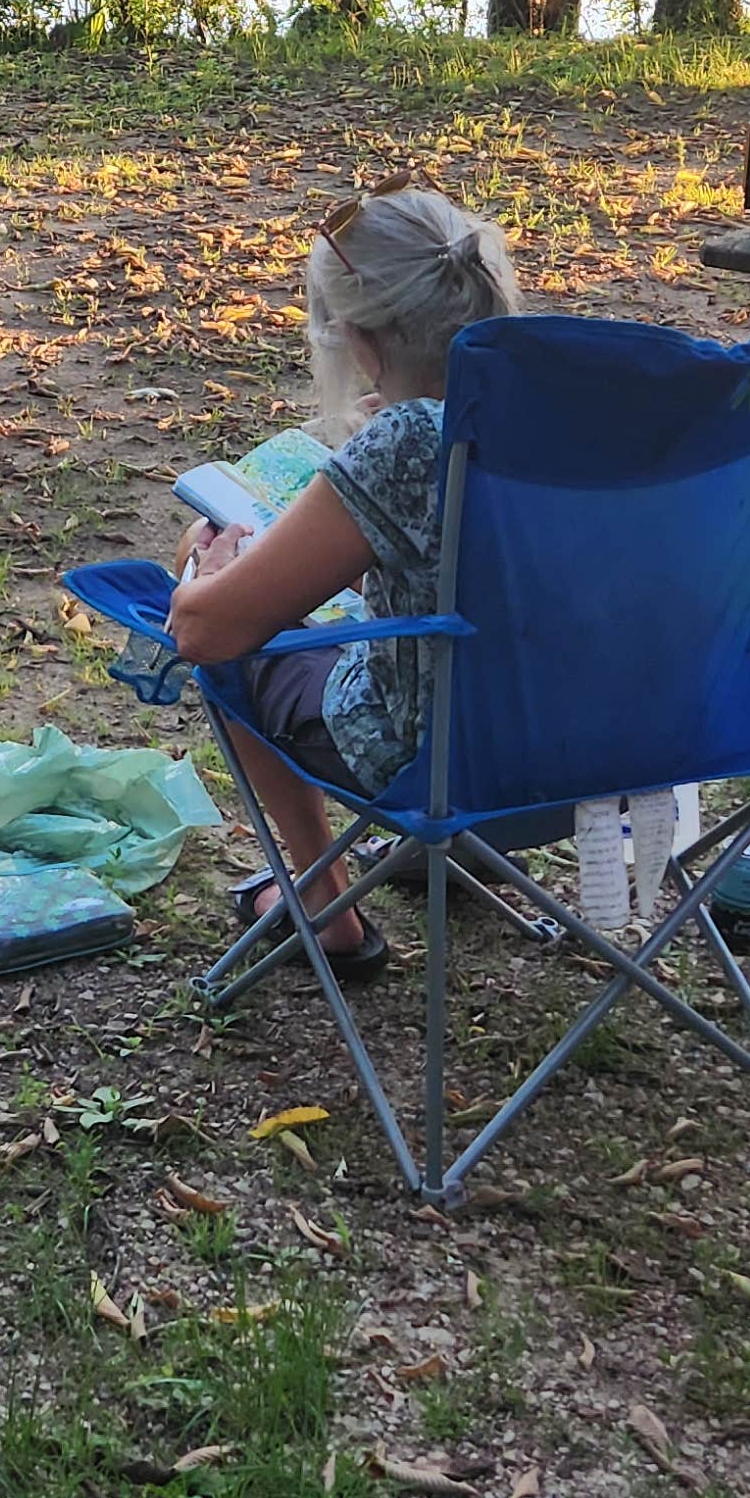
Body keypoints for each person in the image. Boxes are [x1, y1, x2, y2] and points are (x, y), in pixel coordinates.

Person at [162, 185, 521, 972]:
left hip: (443, 759)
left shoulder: (403, 444)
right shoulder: (568, 402)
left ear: (359, 337)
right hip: (618, 744)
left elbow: (205, 629)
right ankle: (458, 850)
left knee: (238, 644)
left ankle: (327, 909)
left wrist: (202, 567)